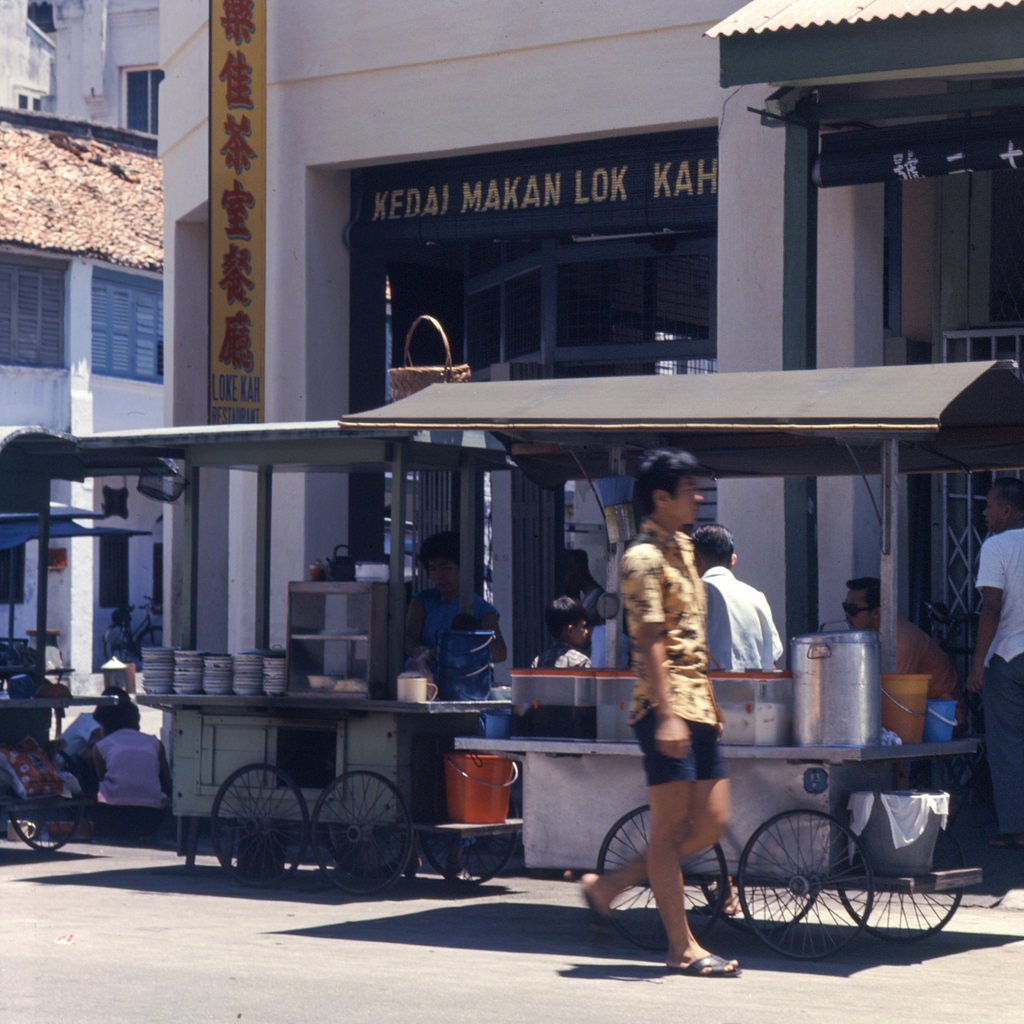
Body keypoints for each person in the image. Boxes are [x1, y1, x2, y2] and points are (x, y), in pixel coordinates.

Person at [581, 448, 739, 977]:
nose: (699, 496)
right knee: (669, 833)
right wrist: (669, 715)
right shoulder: (642, 559)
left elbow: (693, 637)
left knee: (713, 822)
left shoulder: (688, 549)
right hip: (663, 706)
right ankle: (682, 947)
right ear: (661, 498)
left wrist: (708, 707)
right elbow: (649, 641)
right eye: (689, 489)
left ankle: (609, 886)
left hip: (699, 703)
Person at [967, 478, 1024, 850]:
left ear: (1007, 509)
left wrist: (976, 666)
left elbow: (991, 607)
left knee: (1008, 746)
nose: (984, 513)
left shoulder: (998, 545)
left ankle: (1017, 829)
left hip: (1009, 655)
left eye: (989, 506)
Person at [843, 577, 959, 702]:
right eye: (845, 607)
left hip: (938, 711)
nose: (846, 615)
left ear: (876, 613)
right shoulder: (877, 634)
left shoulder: (900, 643)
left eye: (852, 610)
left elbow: (895, 701)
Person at [404, 531, 507, 666]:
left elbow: (500, 652)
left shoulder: (482, 609)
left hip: (464, 681)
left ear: (462, 568)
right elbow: (408, 640)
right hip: (424, 680)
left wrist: (464, 650)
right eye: (433, 568)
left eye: (445, 567)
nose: (439, 575)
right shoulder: (422, 602)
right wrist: (423, 651)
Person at [692, 523, 783, 672]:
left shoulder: (694, 593)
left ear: (695, 560)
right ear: (733, 560)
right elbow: (771, 658)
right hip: (752, 692)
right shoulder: (757, 597)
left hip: (710, 690)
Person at [90, 687, 171, 840]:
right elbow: (166, 780)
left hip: (113, 815)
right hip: (152, 819)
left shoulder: (101, 746)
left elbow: (101, 778)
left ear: (105, 724)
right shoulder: (154, 743)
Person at [531, 596, 592, 669]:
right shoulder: (581, 661)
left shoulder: (539, 661)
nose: (586, 632)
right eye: (583, 627)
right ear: (570, 630)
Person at [563, 548, 607, 624]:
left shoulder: (595, 599)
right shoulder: (587, 597)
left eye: (567, 573)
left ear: (575, 571)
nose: (566, 579)